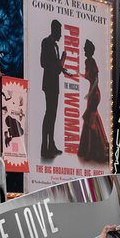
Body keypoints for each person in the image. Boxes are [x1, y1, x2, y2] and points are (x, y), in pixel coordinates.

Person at [76, 40, 111, 163]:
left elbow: (96, 80)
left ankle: (94, 151)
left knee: (91, 118)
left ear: (89, 50)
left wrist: (89, 94)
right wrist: (79, 74)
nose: (84, 50)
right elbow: (89, 76)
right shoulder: (87, 61)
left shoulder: (92, 61)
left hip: (95, 93)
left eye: (85, 49)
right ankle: (93, 150)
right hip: (92, 92)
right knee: (92, 119)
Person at [40, 19, 68, 158]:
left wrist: (62, 67)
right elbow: (44, 62)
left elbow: (56, 66)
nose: (61, 35)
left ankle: (51, 145)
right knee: (49, 114)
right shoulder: (46, 42)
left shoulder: (56, 47)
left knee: (53, 115)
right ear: (54, 30)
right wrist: (59, 66)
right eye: (59, 32)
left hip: (55, 84)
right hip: (49, 84)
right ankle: (45, 147)